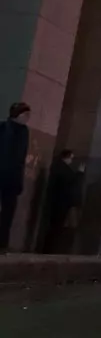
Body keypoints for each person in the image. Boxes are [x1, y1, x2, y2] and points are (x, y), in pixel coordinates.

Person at [39, 150, 82, 253]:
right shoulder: (63, 170)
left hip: (56, 202)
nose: (71, 161)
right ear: (66, 157)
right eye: (71, 158)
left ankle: (48, 249)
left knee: (53, 227)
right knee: (56, 227)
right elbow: (70, 184)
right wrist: (80, 173)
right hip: (61, 203)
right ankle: (49, 250)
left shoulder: (56, 167)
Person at [0, 102, 29, 253]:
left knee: (8, 213)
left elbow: (21, 159)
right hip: (2, 175)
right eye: (25, 114)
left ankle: (2, 243)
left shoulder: (24, 132)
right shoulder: (3, 128)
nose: (27, 118)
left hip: (13, 179)